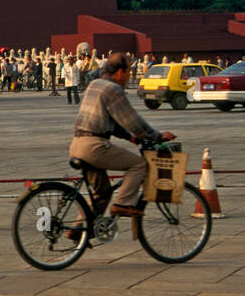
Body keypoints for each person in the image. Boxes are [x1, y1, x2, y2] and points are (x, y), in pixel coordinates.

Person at [70, 53, 174, 218]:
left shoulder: (95, 84)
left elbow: (111, 120)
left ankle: (77, 230)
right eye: (129, 71)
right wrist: (158, 136)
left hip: (77, 144)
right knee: (139, 165)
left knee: (102, 192)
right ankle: (122, 204)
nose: (129, 75)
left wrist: (129, 137)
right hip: (94, 147)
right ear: (119, 72)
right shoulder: (114, 89)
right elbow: (133, 122)